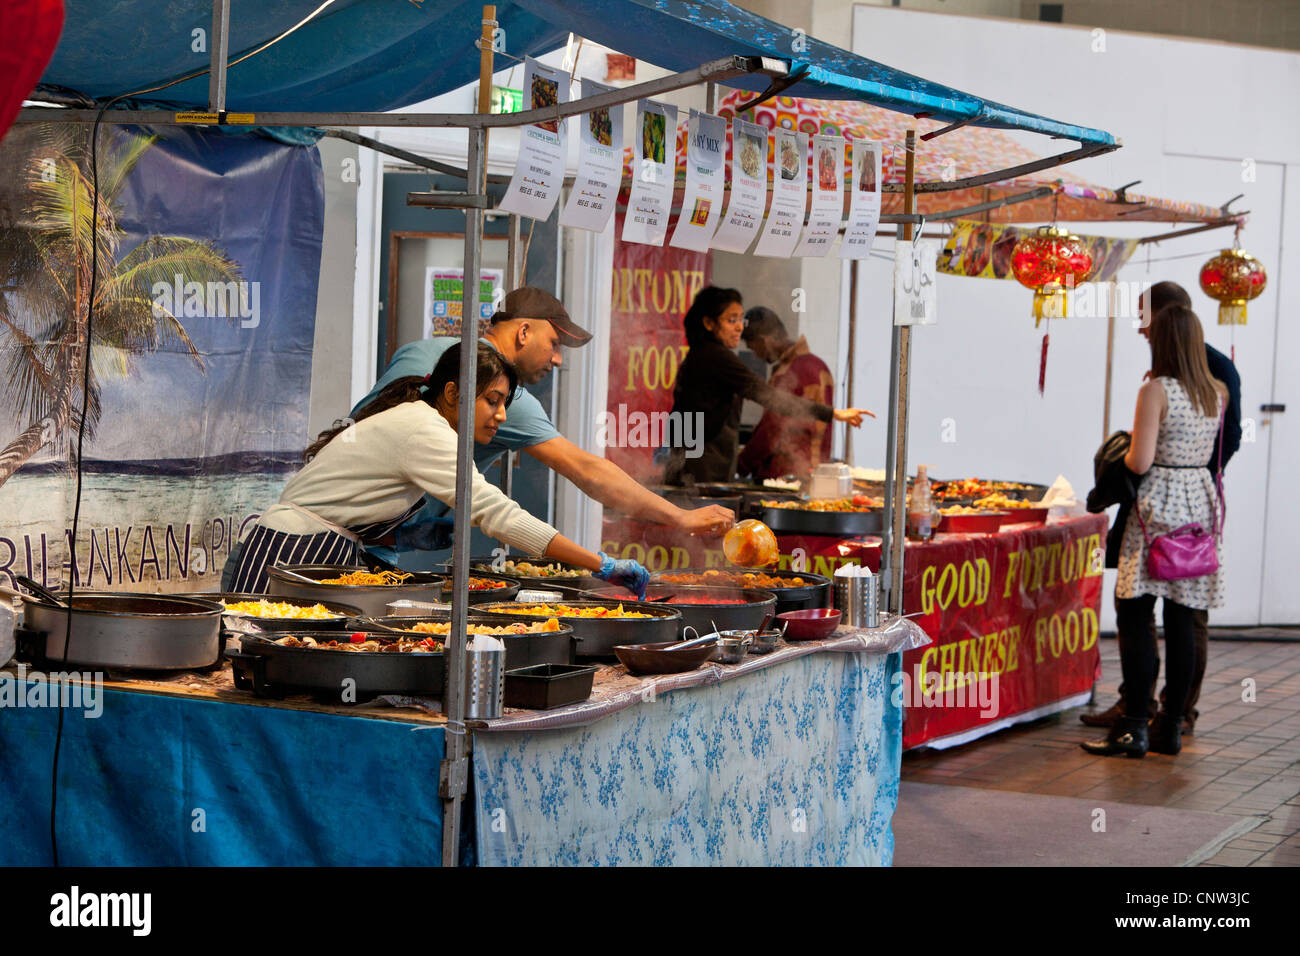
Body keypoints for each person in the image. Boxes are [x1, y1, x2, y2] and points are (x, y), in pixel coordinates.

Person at [223, 343, 650, 598]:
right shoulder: (425, 430)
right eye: (492, 400)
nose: (500, 415)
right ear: (451, 393)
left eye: (504, 403)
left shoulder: (420, 420)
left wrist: (399, 535)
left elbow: (341, 504)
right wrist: (600, 564)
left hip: (307, 549)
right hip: (292, 555)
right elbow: (496, 514)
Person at [354, 287, 735, 566]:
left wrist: (398, 531)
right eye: (554, 344)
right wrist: (680, 517)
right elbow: (589, 472)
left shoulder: (421, 348)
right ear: (523, 333)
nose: (556, 359)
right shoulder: (502, 395)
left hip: (346, 524)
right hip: (360, 545)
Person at [1081, 281, 1241, 734]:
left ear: (1165, 337)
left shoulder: (1156, 391)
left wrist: (1125, 449)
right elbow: (1223, 446)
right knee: (1183, 617)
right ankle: (1172, 725)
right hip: (1199, 506)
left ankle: (1134, 720)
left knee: (1134, 611)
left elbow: (1140, 460)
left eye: (1146, 323)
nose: (1141, 331)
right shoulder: (1218, 391)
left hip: (1157, 506)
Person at [663, 286, 872, 484]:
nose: (738, 327)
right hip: (700, 472)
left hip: (693, 466)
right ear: (708, 323)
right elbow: (769, 397)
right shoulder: (716, 357)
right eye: (731, 320)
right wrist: (834, 413)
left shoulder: (702, 354)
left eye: (740, 320)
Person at [736, 307, 836, 480]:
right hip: (814, 469)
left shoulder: (790, 371)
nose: (757, 356)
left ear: (764, 340)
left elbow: (772, 429)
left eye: (754, 349)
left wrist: (741, 465)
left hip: (785, 475)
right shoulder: (818, 365)